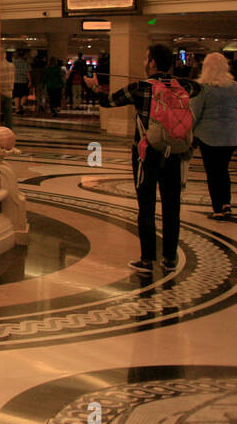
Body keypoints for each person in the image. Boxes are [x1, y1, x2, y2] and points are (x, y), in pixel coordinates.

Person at [86, 44, 201, 275]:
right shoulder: (183, 86)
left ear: (152, 63)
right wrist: (171, 80)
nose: (144, 61)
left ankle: (147, 259)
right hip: (175, 153)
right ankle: (169, 258)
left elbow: (108, 101)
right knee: (172, 206)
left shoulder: (140, 88)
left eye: (146, 58)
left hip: (146, 154)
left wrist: (94, 87)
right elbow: (198, 87)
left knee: (146, 206)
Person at [191, 52, 237, 220]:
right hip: (230, 134)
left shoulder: (202, 87)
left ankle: (217, 208)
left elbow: (195, 113)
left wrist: (189, 133)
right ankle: (226, 204)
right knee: (223, 169)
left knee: (212, 171)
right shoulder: (234, 86)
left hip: (208, 135)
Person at [12, 48, 31, 114]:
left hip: (15, 81)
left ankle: (17, 109)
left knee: (16, 95)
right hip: (23, 81)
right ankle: (21, 105)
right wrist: (30, 81)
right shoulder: (25, 63)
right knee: (25, 94)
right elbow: (27, 72)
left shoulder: (13, 63)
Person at [0, 51, 15, 128]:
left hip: (0, 92)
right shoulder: (11, 65)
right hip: (9, 91)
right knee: (8, 114)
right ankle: (9, 129)